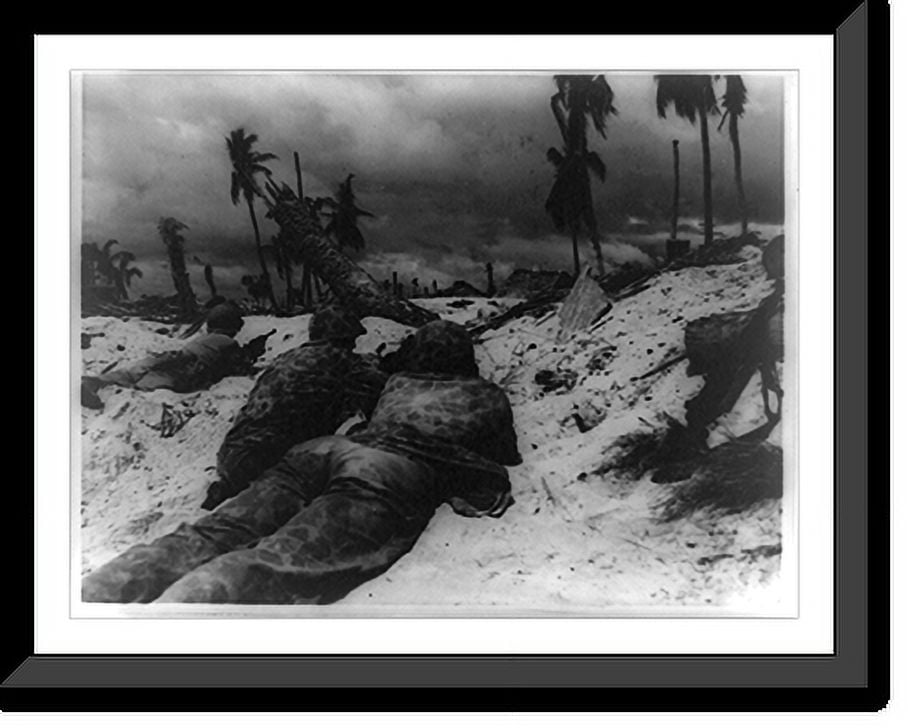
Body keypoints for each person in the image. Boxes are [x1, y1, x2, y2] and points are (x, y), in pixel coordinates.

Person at [81, 320, 521, 605]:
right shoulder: (486, 396)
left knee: (215, 532)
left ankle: (100, 591)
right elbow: (504, 455)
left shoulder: (399, 382)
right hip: (385, 473)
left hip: (322, 450)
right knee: (273, 562)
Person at [202, 304, 390, 510]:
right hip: (266, 460)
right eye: (352, 340)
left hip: (231, 453)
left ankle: (231, 486)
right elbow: (383, 392)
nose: (353, 345)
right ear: (345, 337)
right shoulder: (345, 362)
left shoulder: (287, 356)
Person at [80, 303, 249, 410]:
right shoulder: (228, 342)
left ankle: (96, 381)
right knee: (152, 384)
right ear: (231, 325)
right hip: (189, 367)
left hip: (176, 356)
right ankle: (117, 393)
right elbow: (237, 367)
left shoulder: (203, 338)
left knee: (135, 371)